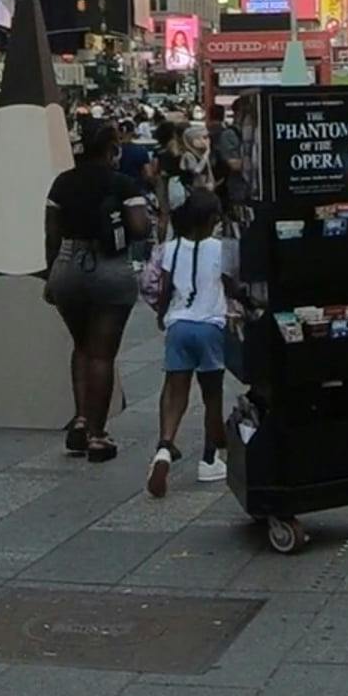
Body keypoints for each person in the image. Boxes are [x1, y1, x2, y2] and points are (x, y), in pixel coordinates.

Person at [43, 120, 154, 458]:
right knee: (102, 354)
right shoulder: (121, 183)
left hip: (68, 264)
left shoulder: (62, 183)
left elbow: (51, 234)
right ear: (112, 149)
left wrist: (51, 275)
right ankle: (97, 435)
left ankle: (79, 419)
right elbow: (139, 228)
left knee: (81, 346)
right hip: (109, 267)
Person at [145, 191, 239, 496]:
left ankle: (164, 447)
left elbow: (165, 287)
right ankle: (210, 458)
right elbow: (231, 285)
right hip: (210, 326)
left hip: (179, 324)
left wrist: (162, 316)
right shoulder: (222, 249)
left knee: (174, 388)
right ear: (214, 219)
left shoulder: (171, 248)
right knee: (212, 395)